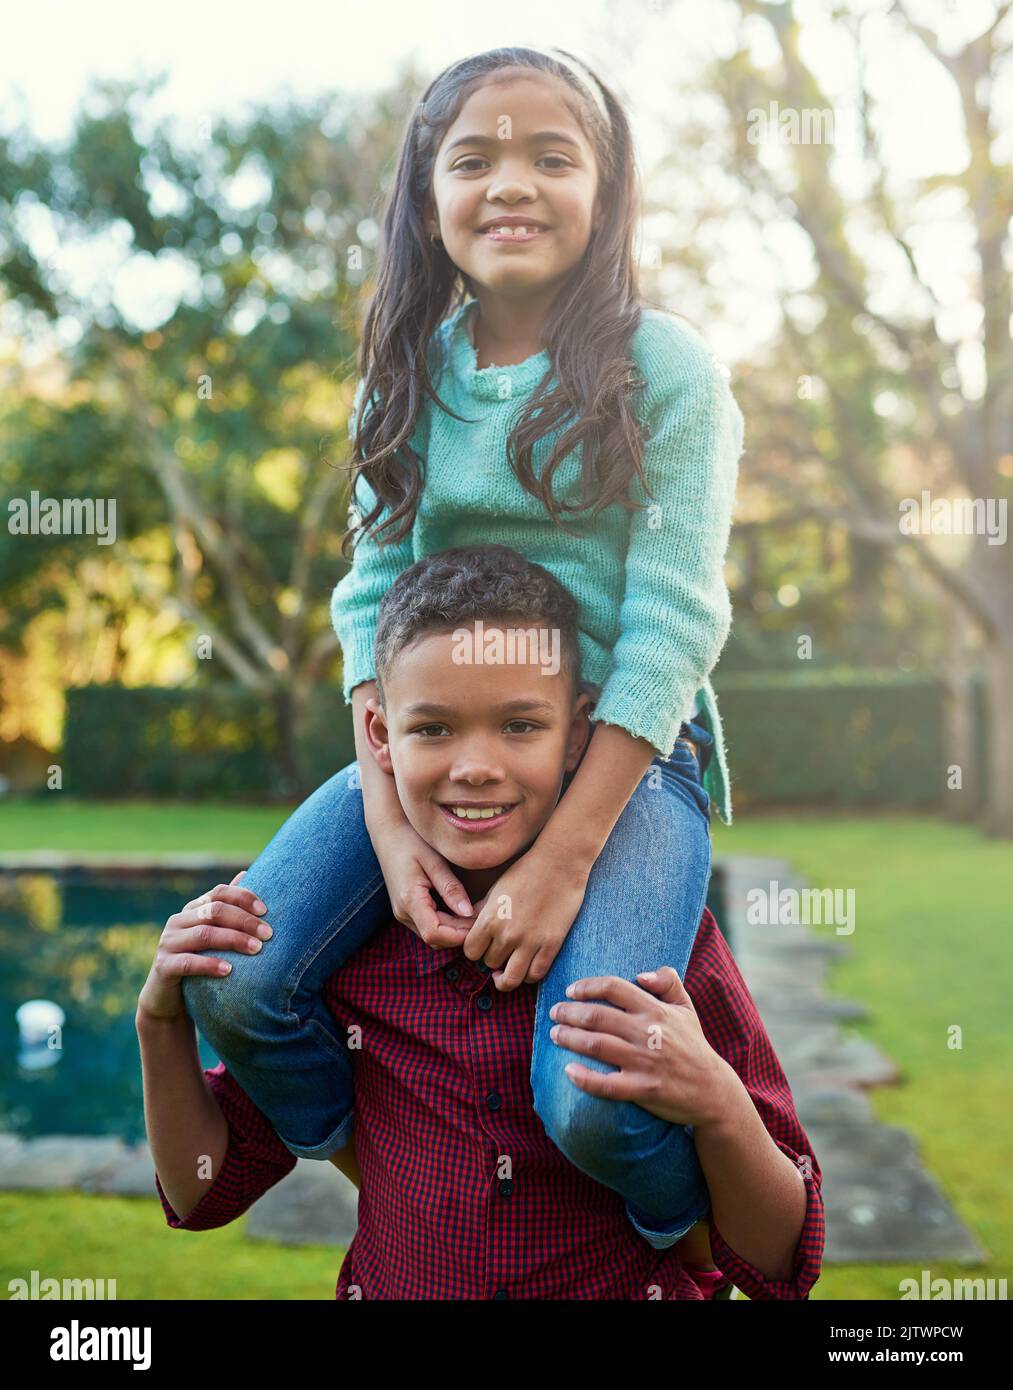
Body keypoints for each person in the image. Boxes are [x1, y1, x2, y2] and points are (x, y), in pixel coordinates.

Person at [180, 44, 745, 1250]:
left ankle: (679, 1228)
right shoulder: (403, 377)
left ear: (604, 194)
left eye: (553, 158)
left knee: (592, 1102)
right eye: (472, 158)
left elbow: (673, 621)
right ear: (426, 203)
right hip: (437, 737)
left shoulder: (666, 370)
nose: (512, 185)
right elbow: (367, 595)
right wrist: (386, 816)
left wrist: (561, 862)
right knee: (238, 986)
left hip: (626, 761)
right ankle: (379, 1163)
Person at [139, 548, 824, 1299]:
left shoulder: (650, 940)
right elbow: (205, 1193)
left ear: (578, 733)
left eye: (519, 726)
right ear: (378, 735)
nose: (475, 767)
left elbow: (782, 1268)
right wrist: (160, 1020)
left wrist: (718, 1103)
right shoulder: (333, 946)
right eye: (431, 729)